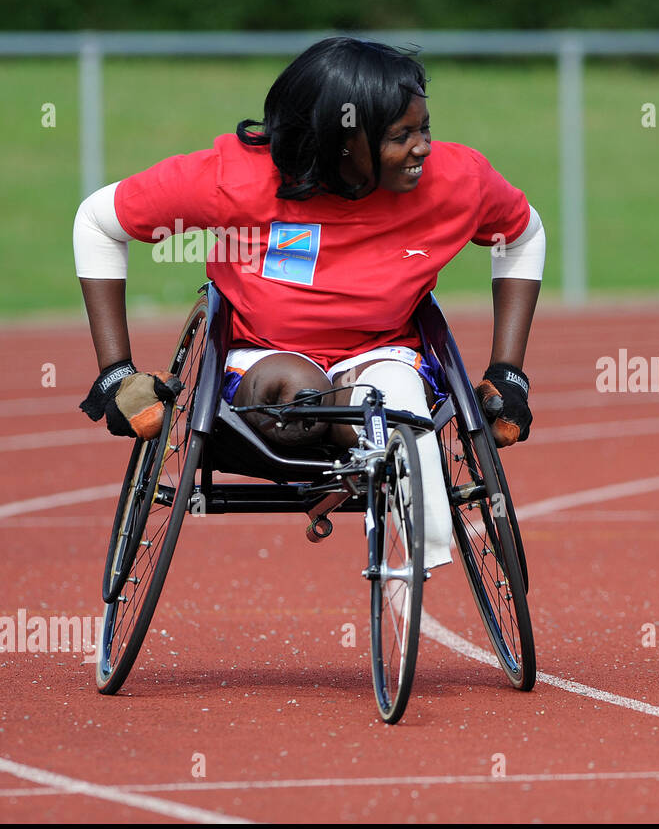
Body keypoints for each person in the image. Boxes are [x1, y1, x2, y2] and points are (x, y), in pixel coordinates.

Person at [75, 37, 546, 572]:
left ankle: (409, 524)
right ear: (340, 142)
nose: (422, 148)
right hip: (261, 358)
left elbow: (524, 235)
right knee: (294, 390)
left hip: (385, 349)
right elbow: (97, 220)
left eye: (425, 129)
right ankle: (349, 429)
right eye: (400, 136)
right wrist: (115, 372)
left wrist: (509, 373)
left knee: (389, 399)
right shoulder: (236, 178)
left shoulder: (459, 181)